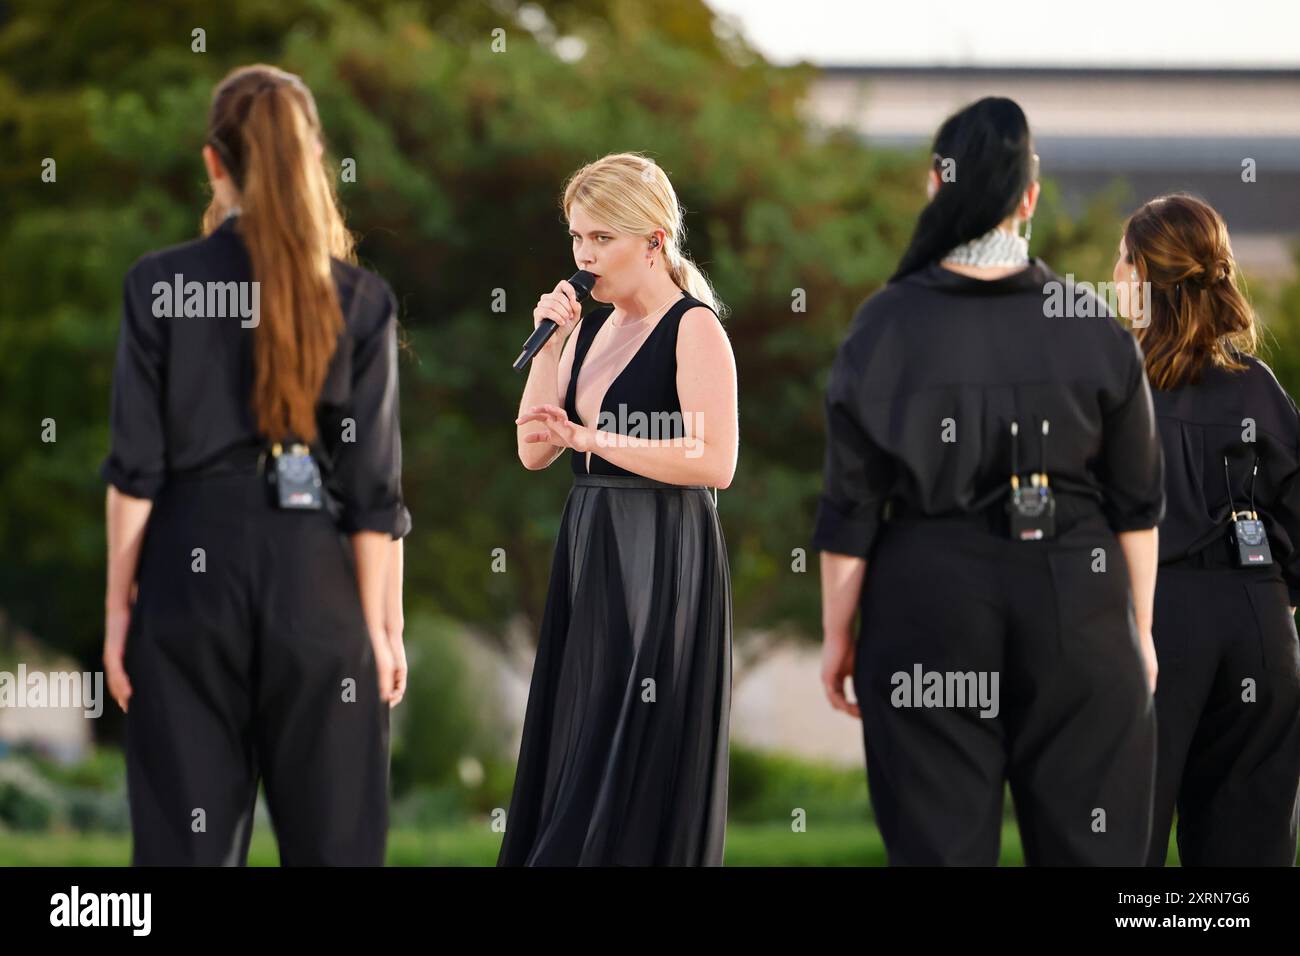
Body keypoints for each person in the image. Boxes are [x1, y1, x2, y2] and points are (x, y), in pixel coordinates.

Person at [814, 97, 1166, 865]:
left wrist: (839, 636)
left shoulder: (884, 325)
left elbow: (852, 508)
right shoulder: (1091, 321)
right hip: (1079, 600)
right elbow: (1137, 505)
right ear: (1029, 198)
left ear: (934, 189)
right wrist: (1137, 631)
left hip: (927, 601)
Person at [100, 64, 410, 866]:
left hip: (188, 572)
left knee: (183, 854)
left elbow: (136, 471)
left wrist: (118, 613)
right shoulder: (359, 298)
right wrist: (381, 625)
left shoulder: (157, 284)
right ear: (311, 158)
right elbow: (372, 491)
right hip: (317, 580)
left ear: (215, 161)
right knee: (336, 849)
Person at [500, 152, 737, 865]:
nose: (584, 256)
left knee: (629, 759)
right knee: (577, 749)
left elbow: (714, 460)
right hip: (593, 551)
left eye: (602, 239)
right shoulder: (592, 331)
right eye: (577, 238)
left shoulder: (694, 328)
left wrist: (593, 438)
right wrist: (554, 346)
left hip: (663, 557)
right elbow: (535, 451)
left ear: (655, 240)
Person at [1113, 193, 1300, 866]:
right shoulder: (1258, 386)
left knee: (1124, 842)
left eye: (1119, 259)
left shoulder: (1116, 387)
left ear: (1142, 274)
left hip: (1156, 626)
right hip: (1261, 624)